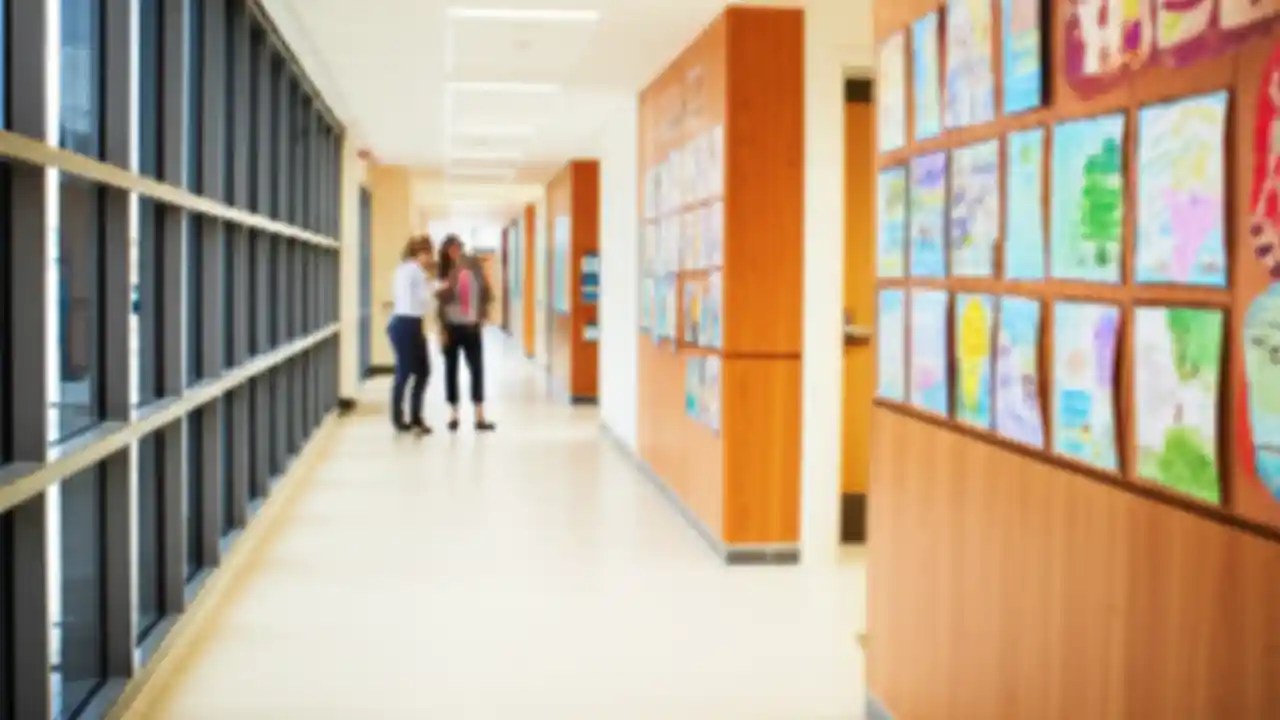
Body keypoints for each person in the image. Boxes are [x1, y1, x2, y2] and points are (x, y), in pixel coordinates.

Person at [436, 235, 496, 432]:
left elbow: (486, 291)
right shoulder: (443, 271)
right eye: (450, 249)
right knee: (451, 370)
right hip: (451, 327)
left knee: (477, 369)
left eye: (457, 248)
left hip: (471, 326)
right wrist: (442, 330)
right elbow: (440, 300)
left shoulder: (473, 267)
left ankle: (479, 415)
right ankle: (454, 414)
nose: (454, 252)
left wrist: (484, 313)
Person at [387, 236, 436, 435]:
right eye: (427, 253)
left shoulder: (402, 269)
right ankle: (407, 419)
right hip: (407, 324)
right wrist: (436, 285)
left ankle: (408, 418)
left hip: (404, 324)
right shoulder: (416, 271)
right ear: (419, 253)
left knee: (413, 371)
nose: (429, 258)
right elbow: (425, 299)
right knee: (411, 372)